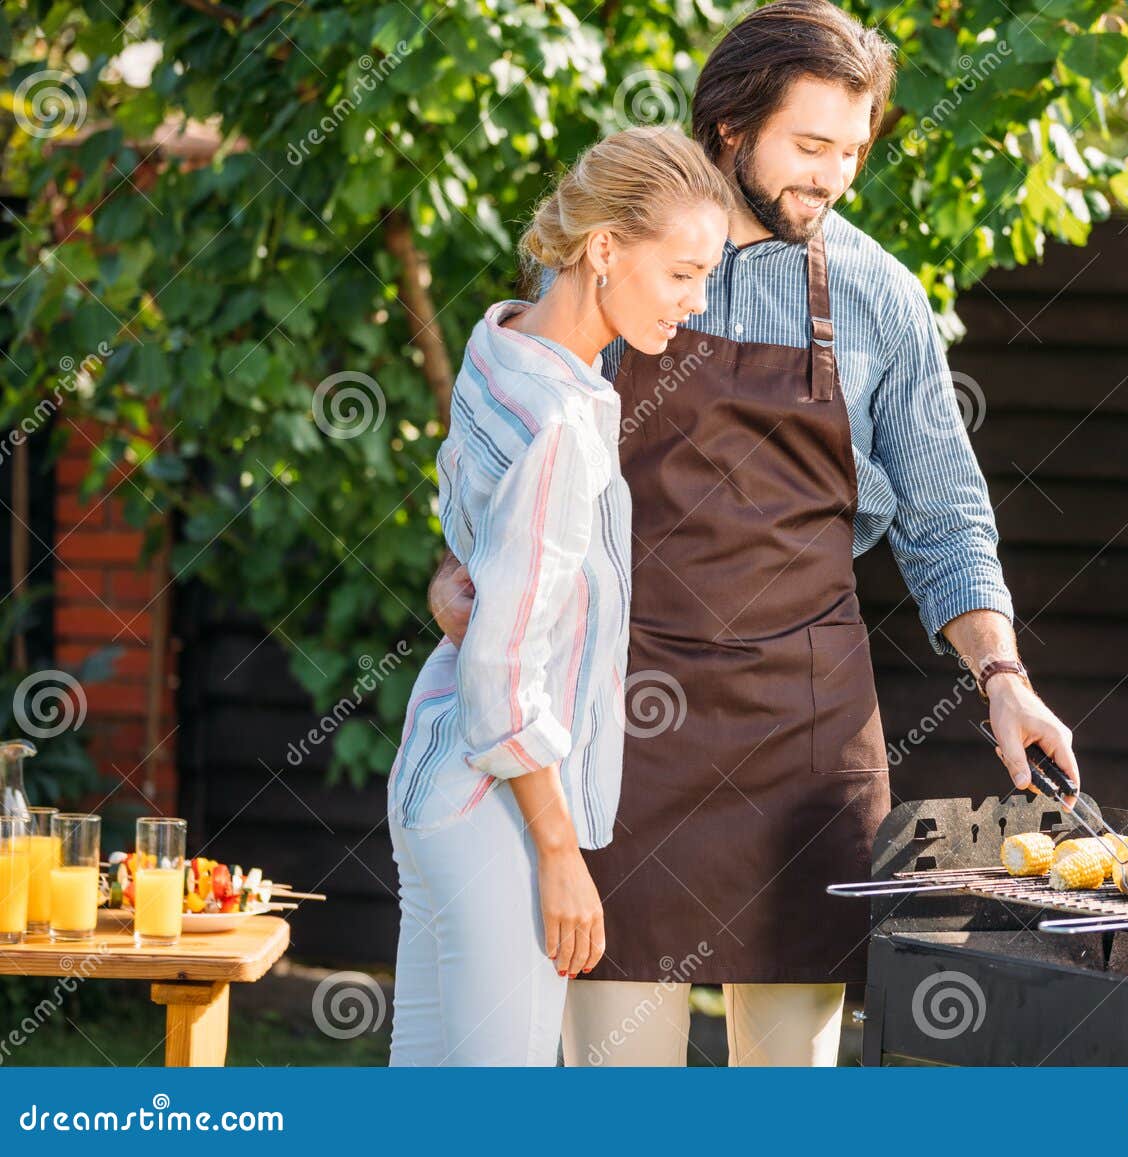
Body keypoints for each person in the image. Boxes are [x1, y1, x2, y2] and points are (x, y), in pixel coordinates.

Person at [429, 0, 1080, 1067]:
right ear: (730, 127)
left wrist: (1002, 675)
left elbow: (945, 513)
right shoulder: (617, 267)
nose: (834, 176)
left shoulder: (878, 297)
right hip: (623, 720)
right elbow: (508, 460)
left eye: (853, 150)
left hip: (802, 729)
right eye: (809, 146)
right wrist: (460, 574)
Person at [387, 126, 731, 1065]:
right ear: (605, 248)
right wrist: (557, 851)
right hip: (498, 811)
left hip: (432, 780)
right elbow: (504, 670)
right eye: (682, 274)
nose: (695, 304)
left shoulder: (500, 346)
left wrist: (457, 587)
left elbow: (480, 556)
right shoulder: (563, 424)